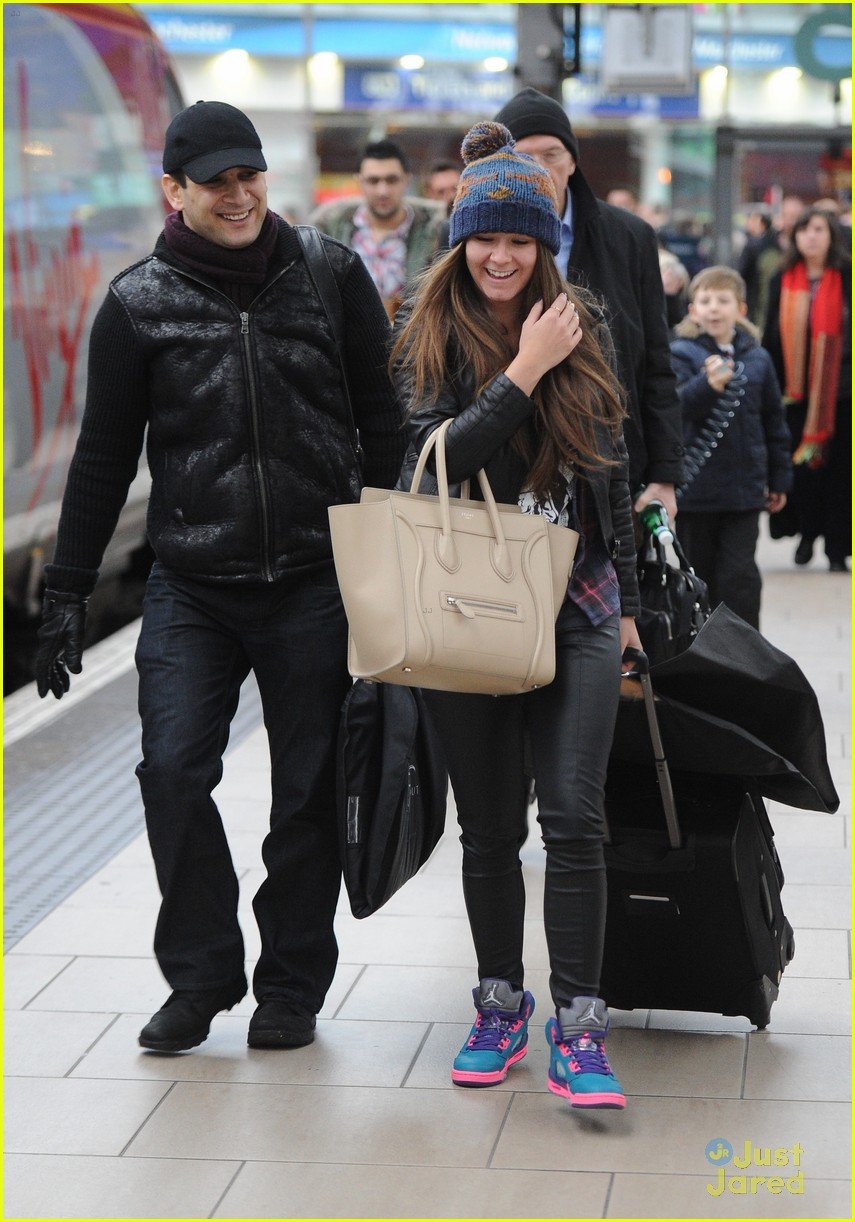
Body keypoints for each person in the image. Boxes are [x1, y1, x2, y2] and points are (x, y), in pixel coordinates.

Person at [34, 101, 405, 1053]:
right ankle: (200, 977)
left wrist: (384, 557)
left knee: (309, 792)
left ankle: (290, 986)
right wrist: (66, 594)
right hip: (193, 583)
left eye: (250, 177)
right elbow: (103, 458)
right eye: (216, 182)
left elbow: (384, 423)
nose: (238, 196)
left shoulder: (328, 275)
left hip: (317, 580)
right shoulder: (136, 303)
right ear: (175, 191)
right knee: (170, 773)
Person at [391, 121, 642, 1110]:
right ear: (461, 242)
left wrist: (626, 597)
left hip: (577, 601)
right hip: (467, 605)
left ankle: (580, 1024)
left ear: (544, 246)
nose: (502, 257)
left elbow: (610, 470)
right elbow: (435, 464)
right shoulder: (421, 332)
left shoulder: (587, 323)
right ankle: (501, 1003)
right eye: (485, 239)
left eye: (521, 241)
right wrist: (524, 371)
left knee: (575, 817)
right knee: (490, 828)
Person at [493, 88, 683, 521]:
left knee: (614, 585)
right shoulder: (479, 239)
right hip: (512, 455)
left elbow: (655, 359)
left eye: (552, 153)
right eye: (524, 155)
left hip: (611, 456)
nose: (540, 167)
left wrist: (665, 475)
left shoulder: (629, 237)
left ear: (573, 161)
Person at [669, 267, 792, 630]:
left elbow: (774, 421)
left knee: (739, 577)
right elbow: (673, 411)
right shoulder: (681, 354)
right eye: (705, 301)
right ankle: (702, 651)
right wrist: (706, 386)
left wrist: (779, 478)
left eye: (723, 301)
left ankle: (745, 653)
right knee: (700, 577)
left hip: (744, 493)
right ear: (692, 310)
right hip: (697, 494)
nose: (714, 309)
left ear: (741, 309)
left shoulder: (758, 359)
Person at [762, 207, 851, 572]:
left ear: (831, 235)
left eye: (818, 229)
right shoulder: (783, 276)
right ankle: (806, 534)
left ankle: (836, 548)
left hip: (841, 391)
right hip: (794, 392)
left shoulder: (847, 276)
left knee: (840, 473)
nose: (811, 236)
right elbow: (770, 332)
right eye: (804, 230)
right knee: (801, 471)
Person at [310, 139, 446, 319]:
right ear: (359, 181)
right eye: (373, 181)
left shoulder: (435, 231)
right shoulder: (329, 230)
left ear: (406, 179)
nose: (383, 190)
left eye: (391, 180)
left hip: (412, 339)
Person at [738, 203, 782, 328]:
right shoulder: (775, 242)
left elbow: (743, 272)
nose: (748, 223)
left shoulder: (753, 245)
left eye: (752, 219)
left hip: (757, 299)